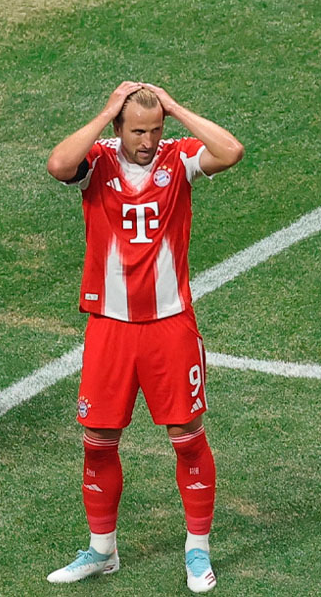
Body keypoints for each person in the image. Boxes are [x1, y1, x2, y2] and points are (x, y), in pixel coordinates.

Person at [45, 82, 244, 593]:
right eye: (137, 130)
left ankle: (197, 552)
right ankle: (101, 550)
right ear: (117, 127)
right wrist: (105, 112)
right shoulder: (99, 161)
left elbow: (231, 151)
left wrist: (176, 107)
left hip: (168, 325)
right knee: (98, 442)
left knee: (186, 436)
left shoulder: (179, 160)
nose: (148, 140)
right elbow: (57, 165)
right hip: (109, 327)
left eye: (156, 130)